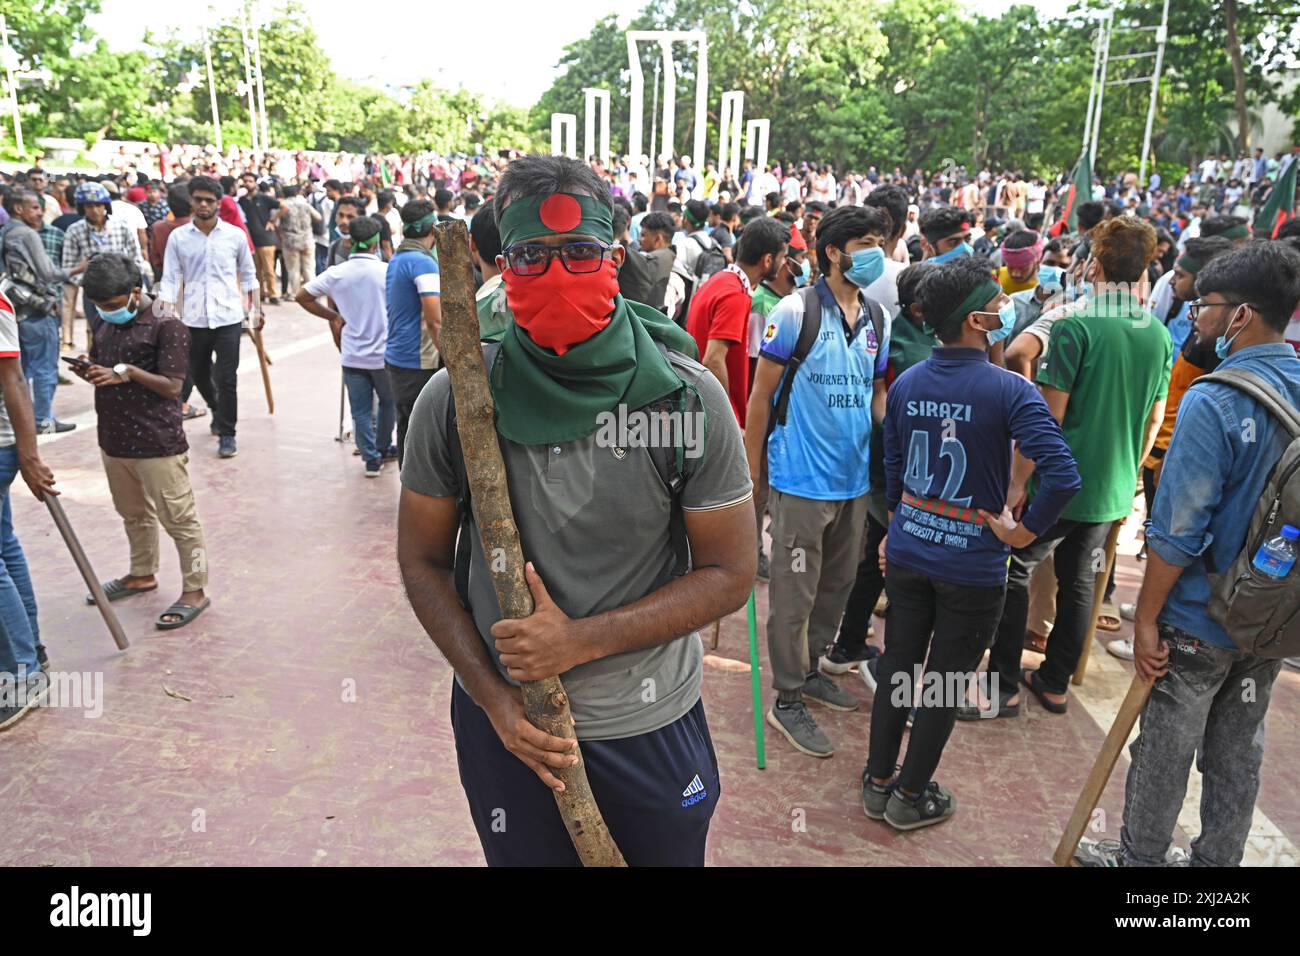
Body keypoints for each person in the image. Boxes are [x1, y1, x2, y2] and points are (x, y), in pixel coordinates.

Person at [396, 155, 754, 866]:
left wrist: (580, 641)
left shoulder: (684, 400)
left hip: (645, 722)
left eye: (580, 252)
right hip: (511, 734)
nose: (556, 273)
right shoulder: (459, 400)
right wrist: (497, 704)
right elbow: (423, 560)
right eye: (530, 255)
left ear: (616, 257)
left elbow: (730, 572)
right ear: (499, 263)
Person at [1078, 240, 1300, 867]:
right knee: (1238, 747)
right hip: (1275, 616)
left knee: (1166, 745)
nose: (1194, 315)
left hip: (1201, 617)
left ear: (1241, 315)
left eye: (1205, 304)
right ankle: (1214, 869)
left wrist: (1146, 618)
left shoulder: (1216, 397)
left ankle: (1141, 863)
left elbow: (1177, 529)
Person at [863, 256, 1079, 830]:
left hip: (910, 551)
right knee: (942, 681)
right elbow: (1062, 474)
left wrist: (898, 531)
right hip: (972, 565)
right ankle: (910, 796)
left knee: (899, 666)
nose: (1007, 312)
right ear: (977, 321)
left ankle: (877, 781)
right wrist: (1022, 533)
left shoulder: (908, 383)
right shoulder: (1009, 391)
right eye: (999, 306)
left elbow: (893, 464)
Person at [970, 217, 1173, 718]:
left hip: (1058, 485)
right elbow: (1154, 419)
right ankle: (1056, 681)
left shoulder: (1075, 325)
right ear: (1144, 269)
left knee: (1014, 569)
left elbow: (1048, 420)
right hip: (1113, 484)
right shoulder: (1159, 334)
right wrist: (1129, 470)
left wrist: (1018, 482)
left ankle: (1004, 682)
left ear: (1096, 265)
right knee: (1081, 580)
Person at [744, 205, 892, 758]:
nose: (877, 253)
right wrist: (752, 470)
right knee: (793, 591)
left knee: (836, 587)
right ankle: (785, 697)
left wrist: (890, 440)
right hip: (801, 479)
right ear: (834, 251)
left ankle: (809, 668)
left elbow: (876, 393)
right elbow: (761, 397)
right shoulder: (794, 310)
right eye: (868, 243)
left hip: (853, 482)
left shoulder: (878, 317)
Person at [77, 254, 210, 630]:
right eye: (100, 306)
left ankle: (196, 589)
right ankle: (141, 573)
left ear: (136, 293)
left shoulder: (168, 326)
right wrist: (92, 369)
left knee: (181, 521)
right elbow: (106, 364)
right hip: (115, 440)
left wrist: (128, 372)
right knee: (133, 514)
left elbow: (173, 387)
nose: (106, 312)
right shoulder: (105, 321)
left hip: (157, 443)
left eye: (113, 306)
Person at [158, 176, 259, 460]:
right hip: (193, 318)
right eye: (198, 199)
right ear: (191, 201)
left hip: (228, 317)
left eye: (209, 200)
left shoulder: (235, 236)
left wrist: (257, 309)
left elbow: (250, 275)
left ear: (218, 203)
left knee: (227, 378)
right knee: (200, 374)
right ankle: (216, 408)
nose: (203, 205)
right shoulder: (178, 238)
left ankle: (228, 433)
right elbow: (170, 278)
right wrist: (164, 312)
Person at [296, 217, 395, 476]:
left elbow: (302, 296)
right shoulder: (387, 271)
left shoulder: (336, 273)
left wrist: (334, 317)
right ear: (376, 244)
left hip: (352, 354)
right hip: (383, 354)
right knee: (387, 403)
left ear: (349, 241)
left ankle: (370, 459)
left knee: (360, 410)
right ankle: (383, 448)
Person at [685, 216, 788, 426]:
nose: (785, 263)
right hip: (714, 417)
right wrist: (729, 419)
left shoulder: (720, 280)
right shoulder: (735, 294)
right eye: (783, 257)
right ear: (767, 260)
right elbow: (713, 359)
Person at [0, 189, 73, 434]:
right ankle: (42, 419)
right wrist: (76, 270)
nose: (40, 212)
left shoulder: (5, 232)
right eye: (35, 207)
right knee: (44, 368)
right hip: (36, 309)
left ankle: (25, 419)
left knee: (21, 370)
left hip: (13, 311)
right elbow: (48, 272)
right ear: (18, 208)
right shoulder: (26, 233)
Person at [384, 199, 442, 465]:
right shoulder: (422, 263)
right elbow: (435, 321)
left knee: (406, 428)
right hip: (416, 361)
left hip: (398, 358)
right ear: (433, 228)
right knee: (418, 439)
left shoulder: (399, 257)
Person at [61, 181, 149, 341]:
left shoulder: (121, 227)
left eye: (98, 205)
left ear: (105, 205)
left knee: (128, 332)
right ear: (82, 208)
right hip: (93, 293)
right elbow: (68, 267)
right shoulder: (75, 231)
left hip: (122, 291)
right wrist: (87, 280)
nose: (94, 210)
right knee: (96, 333)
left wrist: (131, 282)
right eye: (89, 206)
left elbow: (136, 259)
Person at [239, 176, 280, 306]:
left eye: (250, 181)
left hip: (266, 239)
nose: (247, 183)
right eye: (245, 181)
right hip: (251, 241)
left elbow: (284, 207)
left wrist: (272, 220)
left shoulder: (264, 198)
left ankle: (273, 294)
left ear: (255, 183)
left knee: (269, 270)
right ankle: (261, 293)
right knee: (256, 271)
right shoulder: (242, 201)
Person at [276, 184, 321, 298]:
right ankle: (313, 292)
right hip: (307, 239)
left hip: (290, 240)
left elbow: (276, 224)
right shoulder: (305, 204)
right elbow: (318, 217)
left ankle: (295, 293)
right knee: (309, 267)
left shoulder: (283, 206)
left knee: (293, 269)